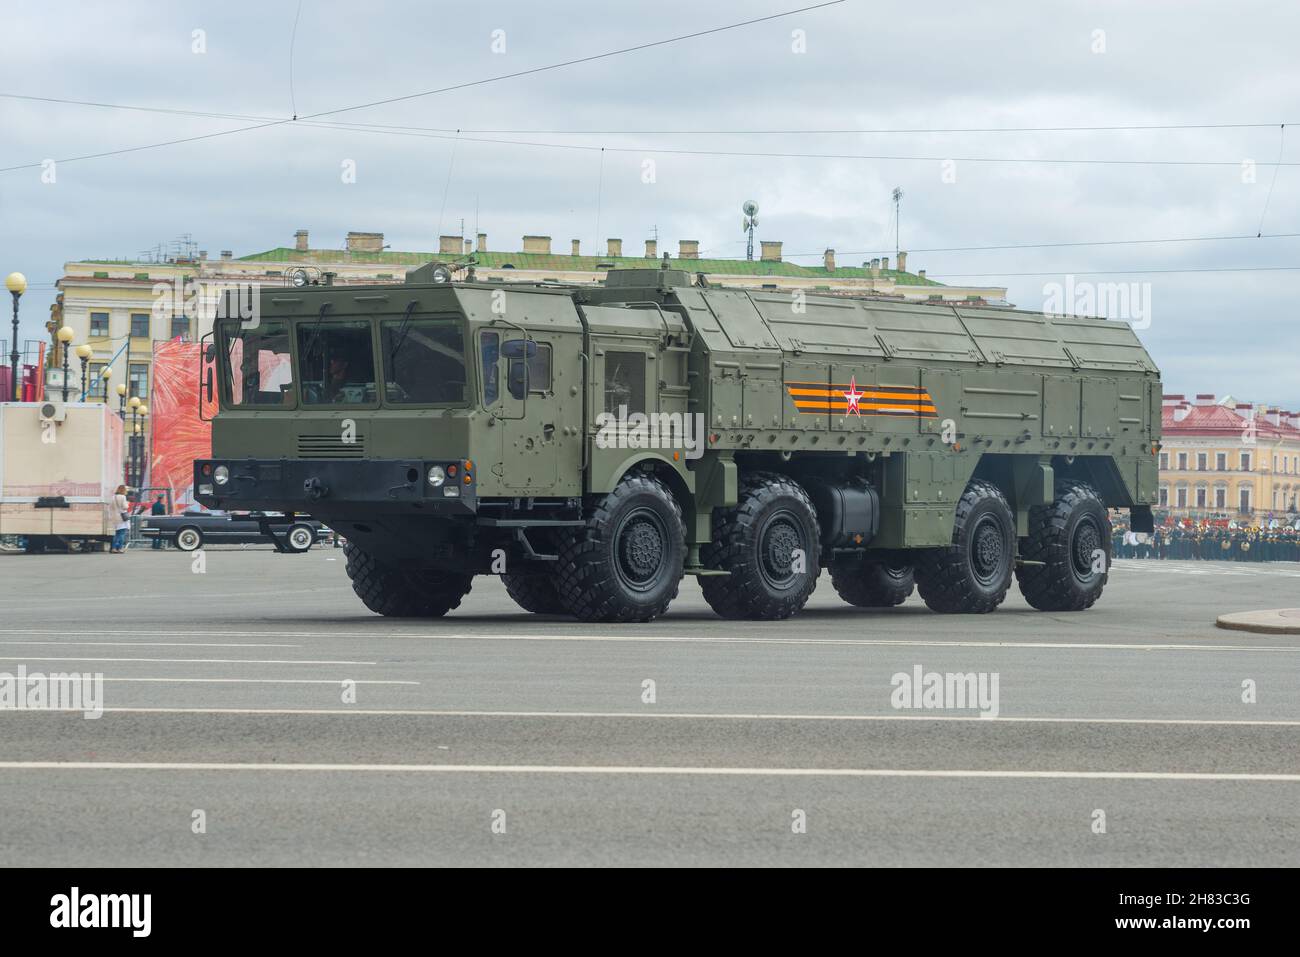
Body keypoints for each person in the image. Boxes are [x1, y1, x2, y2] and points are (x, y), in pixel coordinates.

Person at [111, 485, 130, 553]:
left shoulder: (113, 497)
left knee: (117, 533)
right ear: (123, 490)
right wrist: (128, 504)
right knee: (122, 533)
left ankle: (113, 548)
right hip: (122, 517)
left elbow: (111, 507)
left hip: (115, 517)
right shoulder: (123, 497)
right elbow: (125, 507)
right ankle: (120, 548)